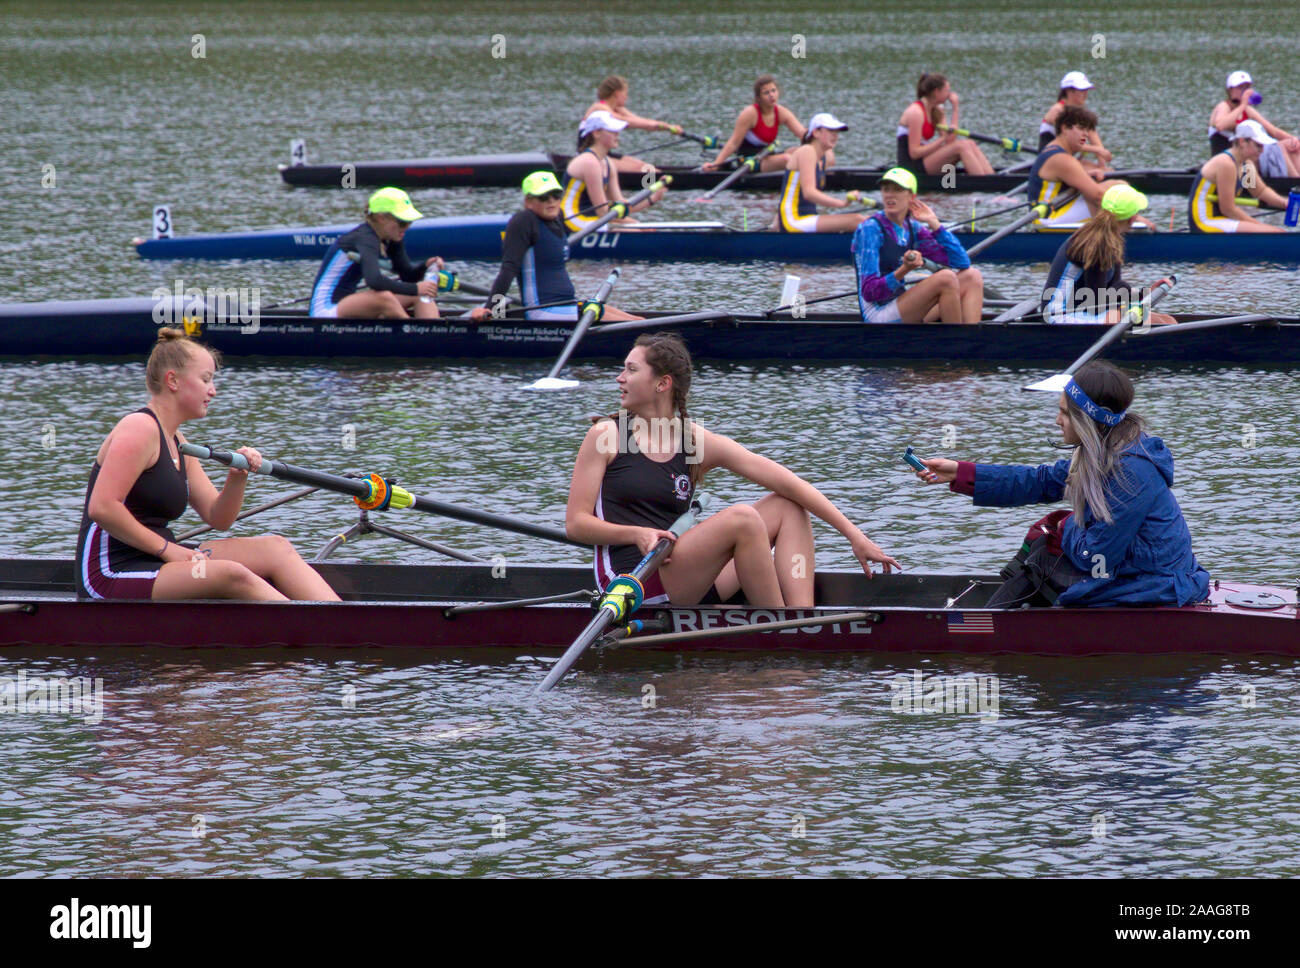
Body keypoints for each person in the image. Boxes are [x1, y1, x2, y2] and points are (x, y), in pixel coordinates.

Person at [565, 333, 899, 608]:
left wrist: (855, 536)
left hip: (684, 573)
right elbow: (576, 524)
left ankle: (801, 620)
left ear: (662, 383)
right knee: (742, 518)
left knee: (787, 505)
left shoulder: (692, 440)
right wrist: (637, 534)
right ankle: (781, 629)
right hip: (634, 584)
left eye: (631, 370)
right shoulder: (606, 436)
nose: (620, 378)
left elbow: (788, 481)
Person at [913, 361, 1210, 608]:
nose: (1057, 421)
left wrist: (1063, 527)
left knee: (1043, 556)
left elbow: (1095, 557)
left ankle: (982, 629)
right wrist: (960, 473)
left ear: (1088, 420)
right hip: (1131, 571)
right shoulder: (1104, 450)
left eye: (1065, 413)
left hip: (1159, 585)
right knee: (1042, 550)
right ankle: (995, 620)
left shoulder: (1130, 472)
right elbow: (1038, 481)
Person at [76, 330, 341, 602]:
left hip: (157, 558)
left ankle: (347, 624)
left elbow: (219, 518)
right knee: (232, 574)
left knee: (275, 548)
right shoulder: (138, 428)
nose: (213, 391)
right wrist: (168, 550)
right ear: (173, 381)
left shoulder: (178, 441)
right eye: (206, 379)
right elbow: (103, 507)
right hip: (111, 572)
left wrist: (237, 477)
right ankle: (322, 634)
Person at [470, 171, 640, 323]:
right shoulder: (523, 221)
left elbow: (588, 219)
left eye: (556, 195)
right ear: (529, 201)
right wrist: (492, 310)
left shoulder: (558, 218)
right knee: (625, 321)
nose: (551, 201)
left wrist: (614, 210)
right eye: (544, 197)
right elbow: (509, 269)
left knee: (637, 320)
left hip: (568, 305)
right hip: (543, 312)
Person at [851, 167, 982, 323]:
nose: (890, 195)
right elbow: (869, 293)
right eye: (886, 189)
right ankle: (955, 343)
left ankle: (970, 339)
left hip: (901, 305)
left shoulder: (912, 228)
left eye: (898, 190)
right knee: (946, 278)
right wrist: (904, 270)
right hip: (877, 315)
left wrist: (935, 224)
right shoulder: (870, 229)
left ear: (911, 197)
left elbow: (961, 262)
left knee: (972, 276)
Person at [1041, 185, 1177, 325]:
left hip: (1083, 308)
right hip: (1059, 315)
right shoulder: (1098, 243)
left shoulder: (1111, 238)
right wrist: (1127, 294)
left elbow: (1113, 286)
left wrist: (1146, 293)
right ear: (1132, 218)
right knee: (1148, 320)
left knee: (1167, 321)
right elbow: (1095, 303)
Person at [310, 187, 443, 319]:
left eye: (409, 222)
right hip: (325, 311)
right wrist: (416, 288)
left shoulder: (392, 238)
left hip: (349, 306)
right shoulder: (365, 238)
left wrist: (426, 266)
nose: (407, 227)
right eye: (402, 222)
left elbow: (408, 276)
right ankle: (417, 334)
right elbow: (374, 281)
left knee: (422, 295)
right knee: (384, 297)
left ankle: (435, 334)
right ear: (381, 218)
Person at [1026, 105, 1143, 229]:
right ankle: (1127, 231)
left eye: (1087, 130)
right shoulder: (1061, 158)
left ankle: (1121, 230)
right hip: (1047, 221)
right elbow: (1098, 196)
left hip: (1056, 212)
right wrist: (1135, 216)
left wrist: (1086, 174)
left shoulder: (1054, 149)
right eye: (1081, 128)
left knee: (1117, 185)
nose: (1085, 135)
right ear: (1065, 128)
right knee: (1113, 190)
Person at [562, 111, 668, 234]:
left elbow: (621, 205)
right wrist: (636, 225)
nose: (617, 134)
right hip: (572, 219)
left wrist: (653, 198)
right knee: (634, 231)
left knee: (638, 230)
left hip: (593, 219)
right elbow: (603, 212)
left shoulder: (608, 162)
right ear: (596, 133)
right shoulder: (589, 162)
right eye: (612, 130)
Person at [1188, 120, 1290, 233]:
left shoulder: (1246, 165)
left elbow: (1260, 192)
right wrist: (1260, 227)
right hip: (1204, 222)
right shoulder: (1226, 164)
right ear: (1242, 142)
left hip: (1220, 220)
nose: (1261, 151)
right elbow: (1228, 209)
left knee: (1276, 232)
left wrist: (1286, 203)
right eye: (1258, 145)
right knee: (1277, 233)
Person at [776, 112, 865, 233]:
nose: (835, 135)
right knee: (857, 220)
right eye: (830, 131)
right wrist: (842, 203)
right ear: (816, 132)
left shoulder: (822, 158)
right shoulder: (807, 151)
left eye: (836, 132)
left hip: (806, 218)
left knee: (861, 223)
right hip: (794, 220)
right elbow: (809, 193)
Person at [581, 74, 683, 175]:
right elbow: (628, 121)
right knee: (648, 171)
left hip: (606, 154)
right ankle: (659, 186)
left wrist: (668, 127)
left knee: (648, 167)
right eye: (625, 93)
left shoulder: (617, 108)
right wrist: (667, 127)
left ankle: (658, 186)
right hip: (590, 156)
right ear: (617, 94)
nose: (627, 97)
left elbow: (642, 122)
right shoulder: (599, 107)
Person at [702, 74, 805, 173]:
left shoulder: (781, 112)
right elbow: (733, 143)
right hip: (749, 162)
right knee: (787, 159)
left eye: (773, 91)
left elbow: (803, 134)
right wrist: (716, 165)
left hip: (767, 157)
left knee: (801, 152)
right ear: (758, 98)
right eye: (766, 93)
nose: (771, 95)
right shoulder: (750, 114)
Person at [896, 72, 994, 176]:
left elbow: (950, 140)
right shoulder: (916, 112)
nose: (949, 94)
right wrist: (942, 139)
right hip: (910, 167)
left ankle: (991, 178)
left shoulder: (937, 111)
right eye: (947, 90)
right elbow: (914, 153)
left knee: (969, 143)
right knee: (961, 147)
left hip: (924, 161)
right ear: (936, 92)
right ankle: (983, 183)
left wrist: (955, 108)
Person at [1208, 70, 1300, 177]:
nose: (1244, 91)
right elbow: (1220, 126)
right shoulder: (1223, 107)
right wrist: (1243, 105)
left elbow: (1274, 131)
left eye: (1247, 87)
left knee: (1293, 145)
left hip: (1247, 158)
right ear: (1230, 90)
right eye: (1240, 87)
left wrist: (1295, 140)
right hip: (1226, 161)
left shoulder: (1248, 110)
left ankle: (1296, 180)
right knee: (1282, 147)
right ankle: (1294, 184)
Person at [1038, 71, 1113, 175]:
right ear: (1069, 91)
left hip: (1064, 159)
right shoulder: (1057, 110)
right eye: (1082, 90)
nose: (1085, 93)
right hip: (1048, 163)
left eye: (1086, 90)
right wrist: (1097, 150)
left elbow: (1093, 135)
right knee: (1092, 170)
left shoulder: (1079, 113)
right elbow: (1070, 142)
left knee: (1098, 168)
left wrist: (1102, 164)